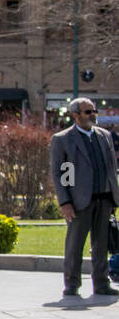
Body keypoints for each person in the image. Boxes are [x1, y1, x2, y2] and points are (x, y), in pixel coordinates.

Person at [50, 97, 119, 297]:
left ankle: (101, 283)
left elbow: (110, 167)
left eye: (94, 111)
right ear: (75, 115)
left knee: (102, 245)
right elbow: (61, 174)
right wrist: (65, 202)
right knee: (75, 245)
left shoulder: (104, 135)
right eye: (88, 112)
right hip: (79, 201)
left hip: (104, 198)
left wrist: (113, 197)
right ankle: (72, 285)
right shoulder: (63, 140)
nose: (92, 115)